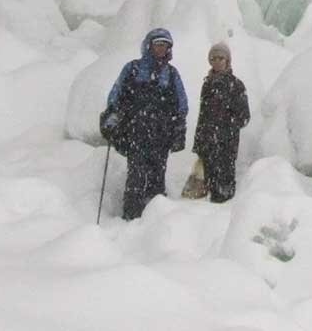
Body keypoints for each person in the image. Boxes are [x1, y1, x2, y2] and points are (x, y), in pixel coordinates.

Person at [100, 27, 189, 220]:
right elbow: (116, 95)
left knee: (158, 175)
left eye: (165, 46)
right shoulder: (132, 69)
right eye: (158, 45)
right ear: (149, 46)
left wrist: (179, 128)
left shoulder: (172, 74)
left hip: (161, 135)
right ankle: (132, 215)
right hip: (136, 133)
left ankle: (154, 219)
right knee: (136, 175)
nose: (161, 49)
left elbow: (182, 104)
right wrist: (112, 117)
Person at [192, 40, 250, 204]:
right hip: (208, 144)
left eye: (220, 58)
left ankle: (222, 216)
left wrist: (226, 127)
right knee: (208, 184)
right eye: (214, 58)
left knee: (224, 185)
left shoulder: (236, 85)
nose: (217, 61)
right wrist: (199, 142)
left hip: (226, 145)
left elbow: (244, 116)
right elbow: (202, 116)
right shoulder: (208, 84)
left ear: (227, 60)